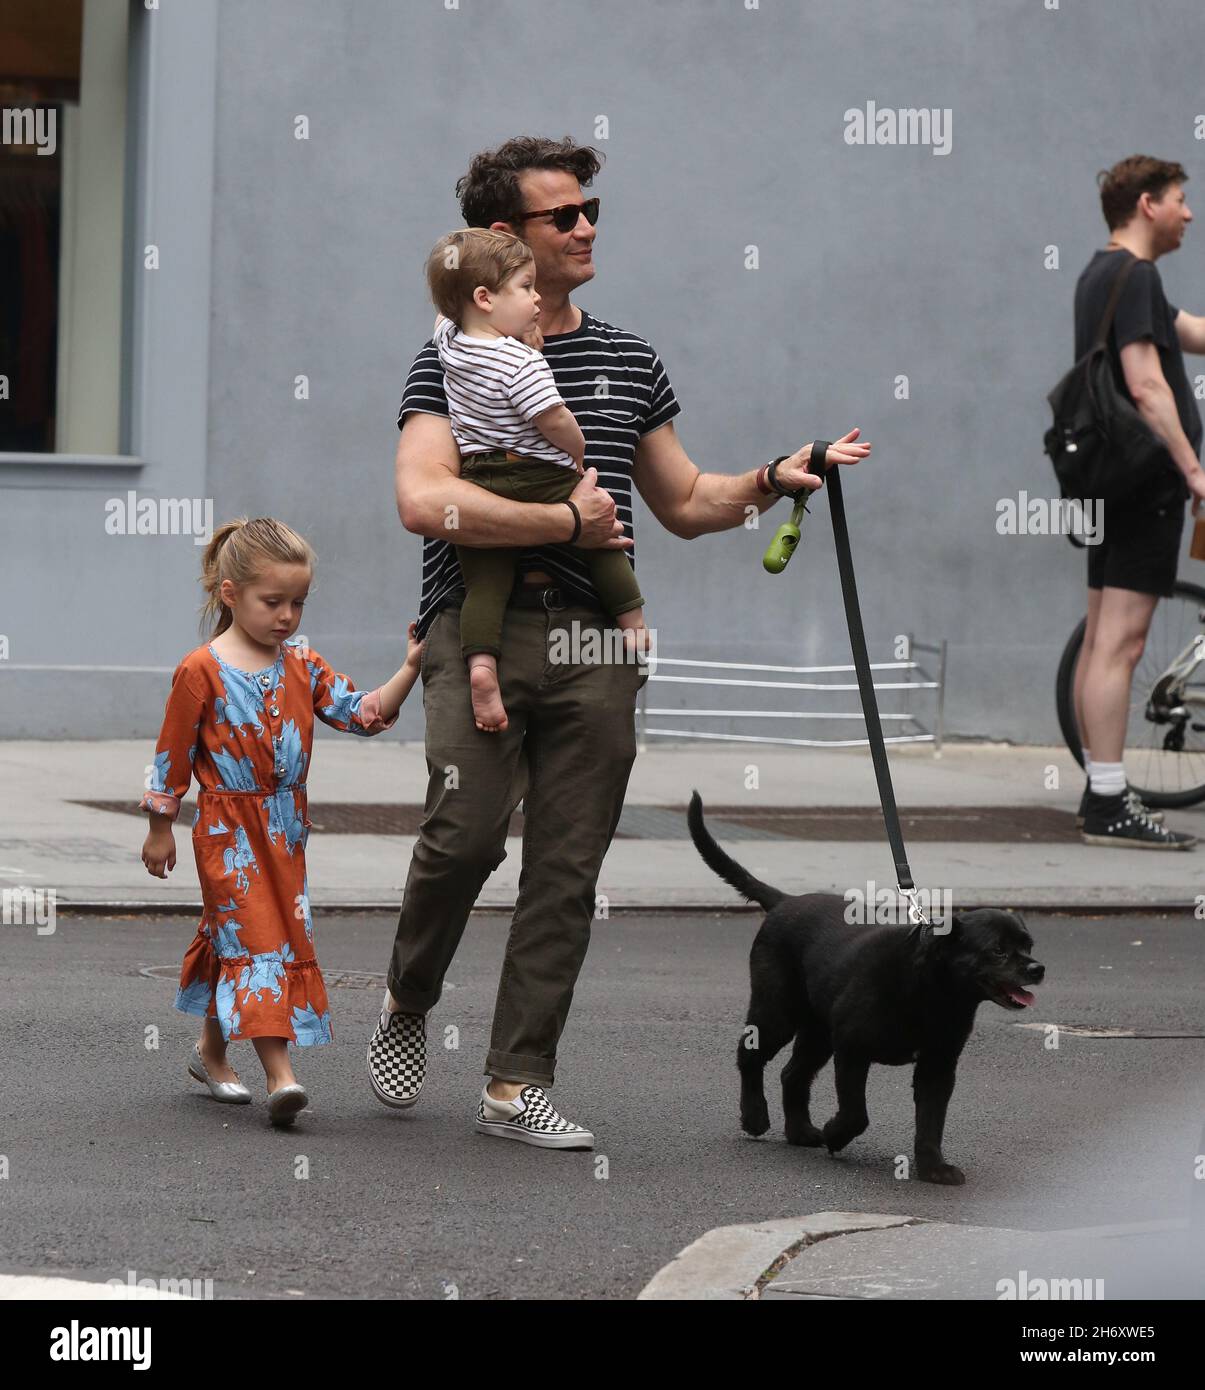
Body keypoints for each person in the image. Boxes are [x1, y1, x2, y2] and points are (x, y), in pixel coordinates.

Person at [367, 134, 869, 1148]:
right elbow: (423, 499)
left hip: (598, 645)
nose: (587, 226)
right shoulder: (453, 357)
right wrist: (562, 526)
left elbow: (683, 501)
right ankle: (408, 997)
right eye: (564, 215)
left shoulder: (628, 356)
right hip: (481, 631)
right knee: (461, 841)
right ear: (502, 236)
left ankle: (514, 1082)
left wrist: (773, 475)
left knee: (565, 870)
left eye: (592, 210)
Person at [140, 517, 422, 1125]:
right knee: (262, 940)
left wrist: (411, 668)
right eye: (273, 602)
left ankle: (211, 1054)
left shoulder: (303, 663)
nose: (287, 615)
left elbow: (362, 712)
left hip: (286, 828)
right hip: (226, 833)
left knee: (238, 938)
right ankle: (281, 1076)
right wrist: (161, 825)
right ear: (230, 593)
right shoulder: (202, 670)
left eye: (297, 602)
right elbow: (172, 752)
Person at [425, 226, 650, 733]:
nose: (536, 298)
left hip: (479, 477)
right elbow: (553, 418)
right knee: (602, 533)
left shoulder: (449, 342)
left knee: (485, 583)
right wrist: (576, 453)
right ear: (485, 298)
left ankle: (482, 667)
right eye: (526, 288)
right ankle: (634, 626)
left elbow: (444, 313)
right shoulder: (521, 361)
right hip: (534, 473)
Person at [1072, 156, 1205, 849]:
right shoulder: (1136, 276)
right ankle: (1106, 802)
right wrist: (1192, 470)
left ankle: (1098, 792)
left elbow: (1189, 332)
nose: (1189, 213)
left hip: (1109, 482)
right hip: (1143, 481)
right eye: (1181, 201)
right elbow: (1146, 384)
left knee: (1101, 640)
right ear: (1147, 204)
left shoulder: (1109, 273)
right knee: (1120, 645)